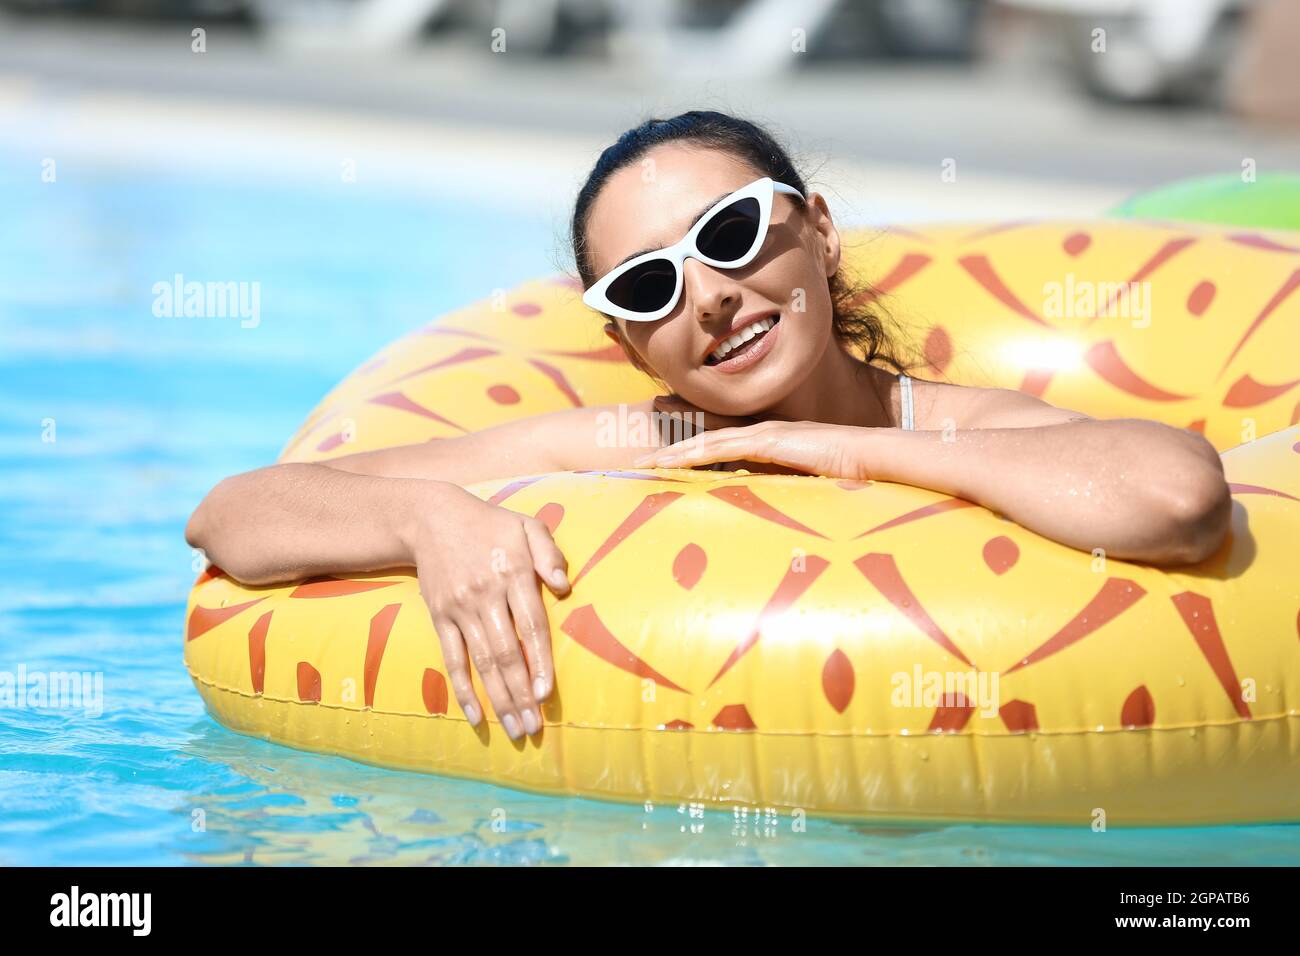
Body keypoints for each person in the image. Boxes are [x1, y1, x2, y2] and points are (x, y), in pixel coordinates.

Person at [185, 110, 1231, 743]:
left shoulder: (955, 424)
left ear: (817, 231)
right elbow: (233, 514)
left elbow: (1179, 496)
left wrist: (848, 451)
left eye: (729, 233)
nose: (711, 297)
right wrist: (428, 522)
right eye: (649, 286)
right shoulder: (624, 444)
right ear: (632, 340)